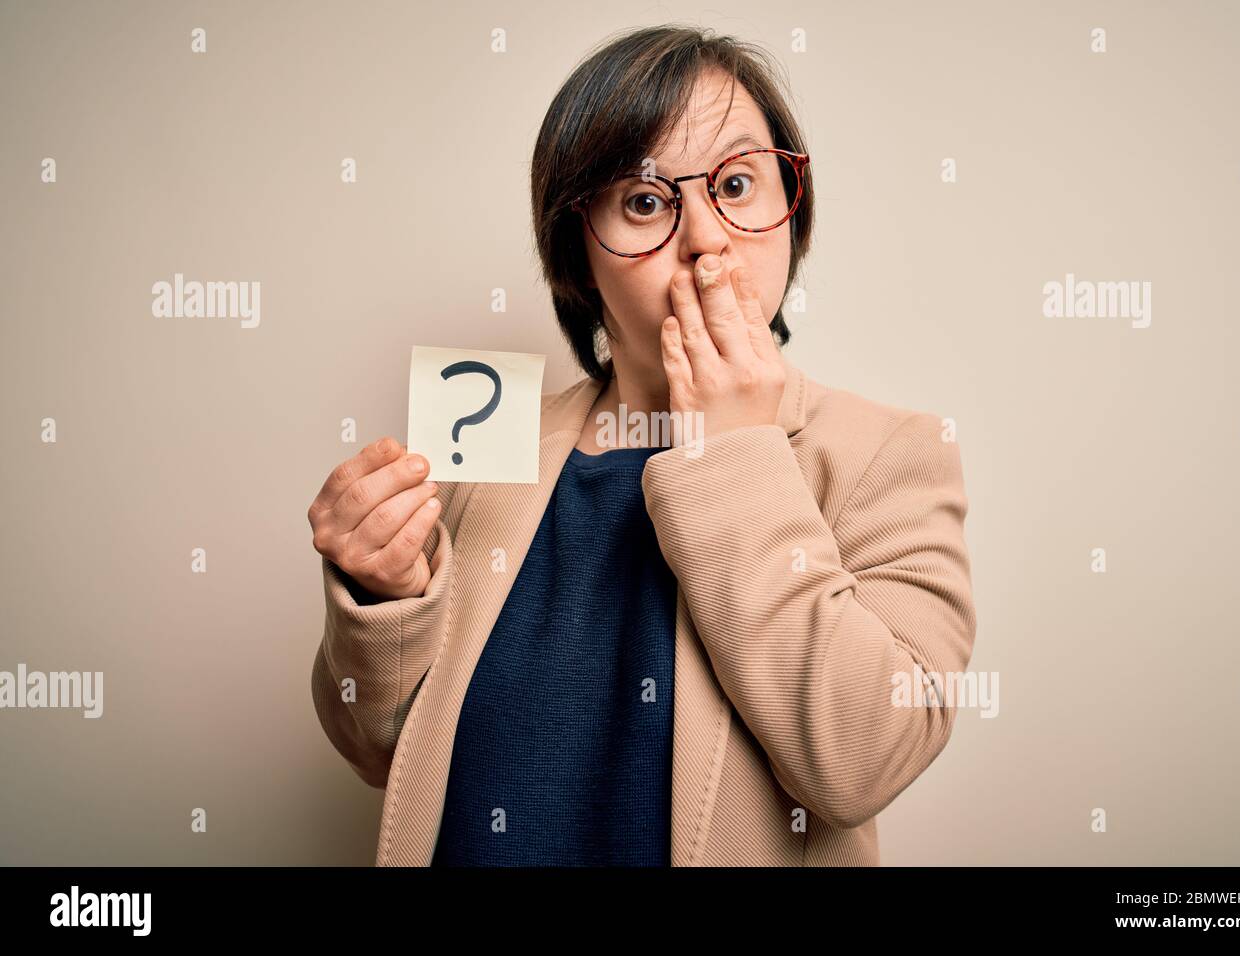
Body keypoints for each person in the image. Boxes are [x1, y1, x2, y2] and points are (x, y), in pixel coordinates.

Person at [307, 24, 976, 866]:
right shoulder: (491, 440)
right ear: (579, 255)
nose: (707, 240)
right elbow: (388, 757)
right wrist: (384, 600)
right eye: (647, 201)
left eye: (737, 183)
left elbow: (865, 758)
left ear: (790, 206)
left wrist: (736, 453)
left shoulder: (887, 456)